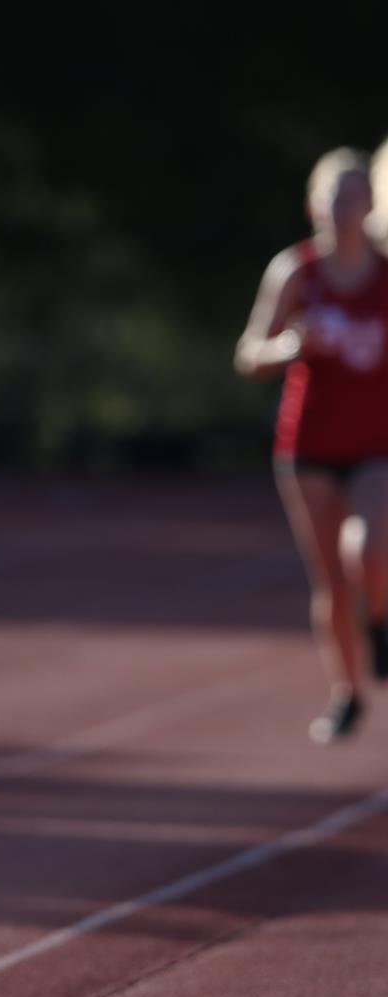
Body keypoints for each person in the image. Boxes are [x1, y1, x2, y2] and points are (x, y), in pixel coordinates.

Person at [236, 147, 388, 745]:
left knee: (371, 549)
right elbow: (249, 352)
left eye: (355, 197)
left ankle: (380, 622)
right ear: (313, 206)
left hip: (378, 442)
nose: (344, 209)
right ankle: (347, 693)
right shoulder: (295, 271)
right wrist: (290, 347)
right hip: (308, 445)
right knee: (329, 579)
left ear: (372, 204)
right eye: (334, 198)